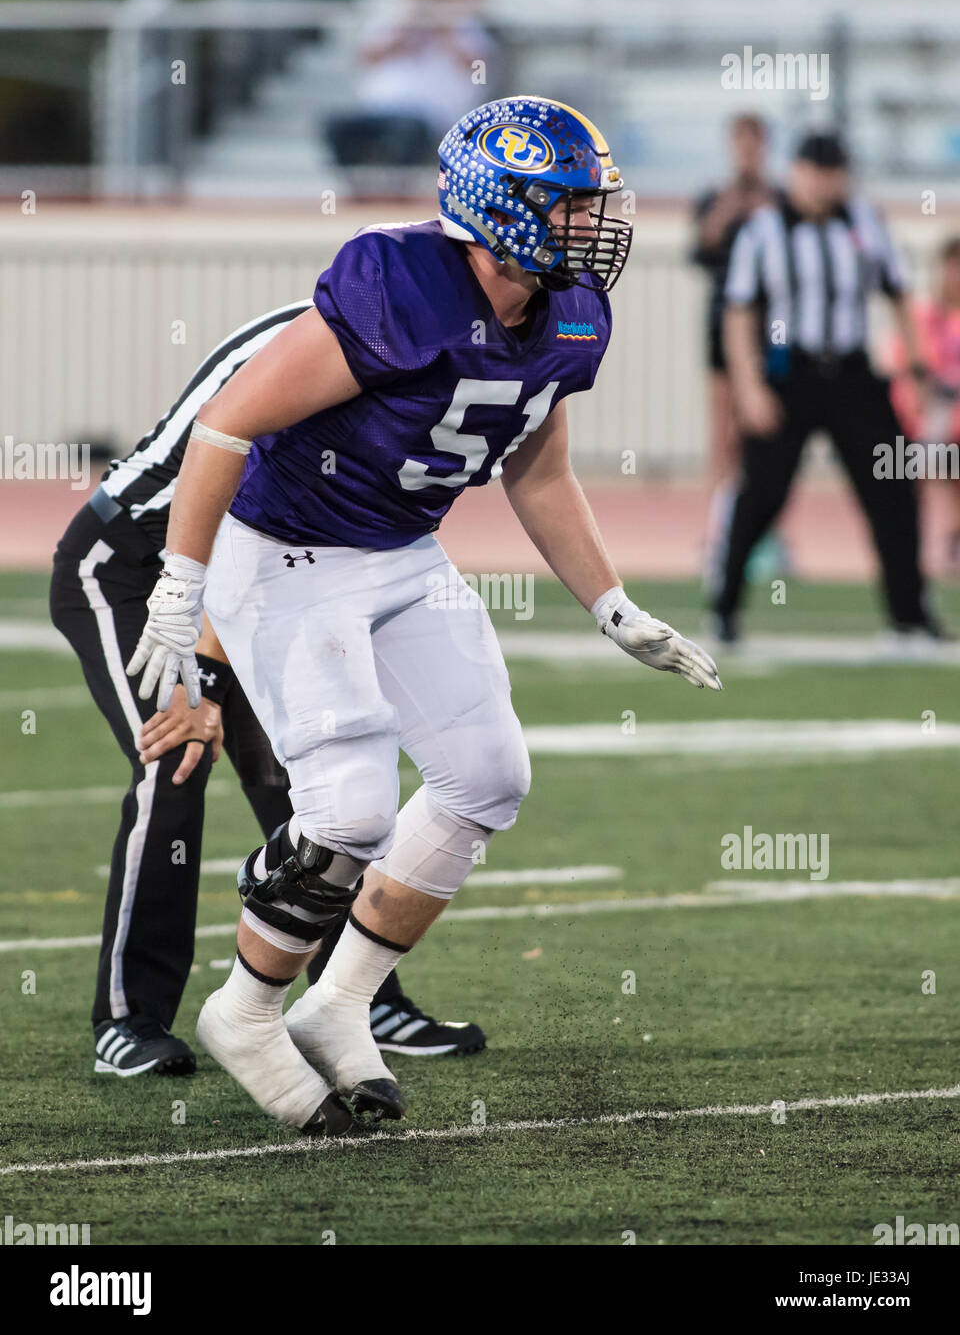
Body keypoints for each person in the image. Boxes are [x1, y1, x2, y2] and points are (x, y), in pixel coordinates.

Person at [127, 95, 722, 1137]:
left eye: (594, 203)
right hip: (287, 554)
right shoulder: (400, 285)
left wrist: (611, 603)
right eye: (570, 203)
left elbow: (540, 470)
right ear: (499, 206)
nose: (594, 224)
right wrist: (183, 584)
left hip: (401, 551)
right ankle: (246, 1011)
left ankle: (341, 999)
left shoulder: (571, 309)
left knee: (488, 775)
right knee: (348, 815)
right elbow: (226, 426)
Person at [50, 307, 487, 1080]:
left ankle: (353, 998)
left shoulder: (415, 333)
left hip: (251, 573)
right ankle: (128, 1016)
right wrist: (207, 686)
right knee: (176, 755)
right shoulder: (337, 346)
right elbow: (233, 508)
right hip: (132, 567)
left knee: (309, 778)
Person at [714, 131, 942, 643]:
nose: (825, 183)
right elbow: (739, 311)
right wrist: (749, 388)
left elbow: (901, 296)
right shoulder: (764, 229)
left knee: (893, 490)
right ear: (796, 173)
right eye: (816, 172)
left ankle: (909, 615)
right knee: (763, 493)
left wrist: (918, 371)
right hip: (788, 375)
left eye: (834, 172)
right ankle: (725, 607)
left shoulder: (866, 223)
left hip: (855, 376)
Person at [691, 114, 786, 589]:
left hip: (770, 329)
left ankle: (769, 539)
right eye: (741, 144)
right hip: (719, 326)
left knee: (767, 439)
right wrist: (733, 203)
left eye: (756, 144)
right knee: (723, 437)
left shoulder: (780, 201)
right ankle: (714, 539)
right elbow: (702, 246)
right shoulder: (715, 197)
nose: (749, 153)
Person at [326, 0, 492, 169]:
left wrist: (441, 27)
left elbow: (477, 68)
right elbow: (367, 57)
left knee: (406, 133)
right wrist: (407, 27)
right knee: (337, 126)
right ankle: (359, 190)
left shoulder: (463, 24)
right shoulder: (394, 21)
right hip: (381, 108)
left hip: (427, 114)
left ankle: (399, 194)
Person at [888, 235, 960, 571]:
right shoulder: (923, 317)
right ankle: (906, 543)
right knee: (902, 461)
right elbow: (908, 369)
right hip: (924, 420)